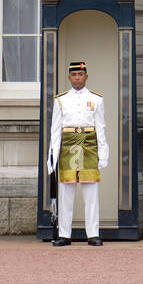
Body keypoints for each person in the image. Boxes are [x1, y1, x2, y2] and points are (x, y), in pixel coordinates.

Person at [46, 61, 108, 247]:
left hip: (88, 144)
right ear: (69, 77)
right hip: (68, 145)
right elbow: (55, 130)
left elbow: (101, 128)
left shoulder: (97, 99)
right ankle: (64, 234)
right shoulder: (61, 100)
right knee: (66, 192)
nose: (77, 78)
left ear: (86, 76)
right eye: (74, 75)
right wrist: (52, 157)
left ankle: (93, 233)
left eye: (80, 74)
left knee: (91, 193)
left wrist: (103, 153)